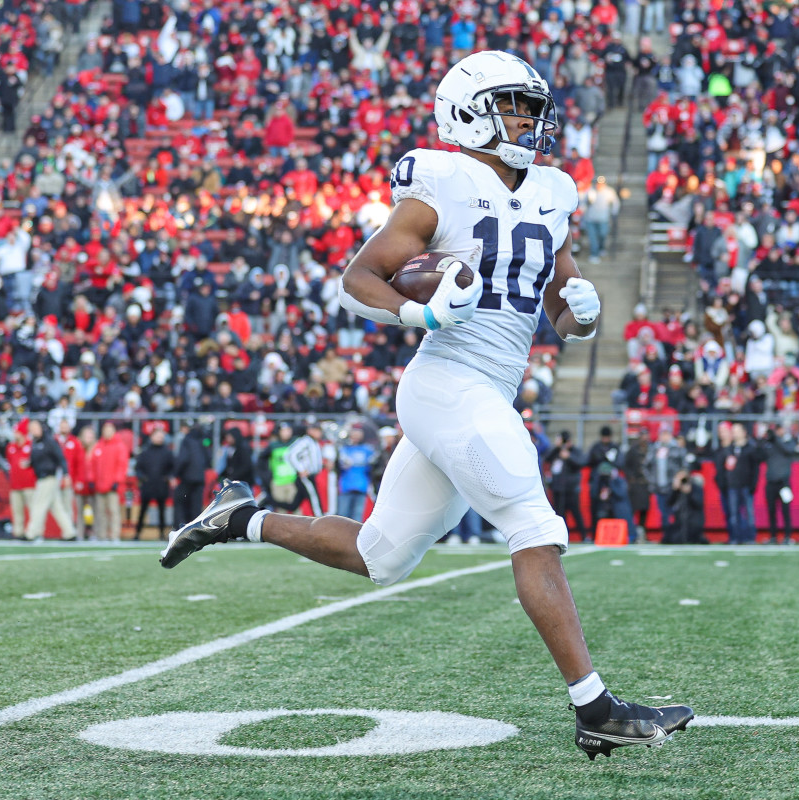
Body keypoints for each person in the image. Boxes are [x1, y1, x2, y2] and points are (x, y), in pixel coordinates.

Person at [159, 51, 692, 758]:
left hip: (486, 387)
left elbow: (559, 312)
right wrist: (421, 317)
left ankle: (241, 516)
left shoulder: (556, 190)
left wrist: (584, 313)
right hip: (447, 379)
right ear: (468, 111)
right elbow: (358, 279)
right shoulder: (442, 179)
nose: (530, 120)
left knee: (381, 556)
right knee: (534, 526)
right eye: (514, 106)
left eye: (533, 107)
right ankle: (596, 709)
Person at [25, 419, 76, 541]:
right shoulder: (35, 443)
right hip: (41, 477)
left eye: (35, 428)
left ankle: (31, 533)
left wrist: (66, 474)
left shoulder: (49, 441)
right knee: (56, 507)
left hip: (49, 477)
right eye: (31, 428)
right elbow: (36, 460)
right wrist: (29, 463)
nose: (33, 430)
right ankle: (69, 532)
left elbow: (60, 458)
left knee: (38, 504)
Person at [88, 421, 129, 542]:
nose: (106, 432)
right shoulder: (99, 446)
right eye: (105, 430)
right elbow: (92, 465)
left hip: (112, 486)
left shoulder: (119, 446)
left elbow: (122, 465)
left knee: (113, 511)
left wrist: (117, 481)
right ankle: (101, 535)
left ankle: (114, 535)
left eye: (109, 430)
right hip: (99, 486)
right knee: (100, 512)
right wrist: (92, 479)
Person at [647, 425, 689, 538]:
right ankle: (666, 536)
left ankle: (675, 535)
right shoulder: (655, 449)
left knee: (674, 512)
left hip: (673, 487)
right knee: (663, 513)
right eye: (662, 434)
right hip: (659, 486)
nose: (664, 437)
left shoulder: (677, 449)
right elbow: (646, 466)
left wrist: (679, 478)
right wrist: (651, 480)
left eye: (667, 434)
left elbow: (685, 466)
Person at [546, 431, 589, 541]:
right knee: (559, 515)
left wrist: (569, 457)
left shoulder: (575, 451)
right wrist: (557, 447)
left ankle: (584, 536)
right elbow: (547, 459)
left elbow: (581, 463)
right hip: (558, 488)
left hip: (571, 488)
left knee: (576, 513)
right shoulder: (556, 451)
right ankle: (562, 537)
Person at [757, 421, 795, 544]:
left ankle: (787, 536)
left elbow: (788, 450)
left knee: (786, 511)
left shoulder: (788, 441)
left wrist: (776, 439)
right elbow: (760, 454)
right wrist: (764, 439)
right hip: (771, 482)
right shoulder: (770, 444)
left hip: (784, 482)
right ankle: (773, 536)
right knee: (771, 511)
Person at [285, 418, 332, 517]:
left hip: (311, 475)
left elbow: (313, 460)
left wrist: (323, 465)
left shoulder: (314, 443)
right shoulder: (306, 441)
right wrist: (301, 469)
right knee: (314, 498)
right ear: (310, 430)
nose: (320, 433)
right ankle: (320, 520)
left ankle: (271, 501)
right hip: (306, 477)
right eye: (317, 430)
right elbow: (290, 454)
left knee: (294, 505)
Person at [134, 426, 175, 539]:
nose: (160, 438)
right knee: (143, 510)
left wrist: (168, 477)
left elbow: (172, 467)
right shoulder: (145, 451)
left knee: (162, 510)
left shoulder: (167, 452)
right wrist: (142, 478)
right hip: (148, 485)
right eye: (157, 436)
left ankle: (162, 533)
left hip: (161, 485)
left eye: (162, 436)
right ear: (151, 437)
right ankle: (137, 533)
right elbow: (138, 468)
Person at [172, 422, 209, 531]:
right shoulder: (202, 441)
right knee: (196, 506)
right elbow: (208, 459)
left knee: (180, 502)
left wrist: (175, 474)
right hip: (200, 478)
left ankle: (179, 528)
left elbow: (183, 459)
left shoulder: (187, 441)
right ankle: (196, 530)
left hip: (187, 477)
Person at [335, 426, 375, 522]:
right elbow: (338, 465)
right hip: (346, 486)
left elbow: (373, 466)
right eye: (354, 434)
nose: (356, 437)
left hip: (361, 486)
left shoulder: (367, 450)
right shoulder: (343, 449)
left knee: (357, 517)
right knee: (342, 516)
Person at [5, 421, 36, 539]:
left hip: (29, 484)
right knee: (17, 511)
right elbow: (9, 461)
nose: (15, 434)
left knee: (33, 511)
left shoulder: (31, 445)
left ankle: (33, 532)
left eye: (17, 432)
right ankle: (18, 532)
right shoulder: (11, 447)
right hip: (15, 484)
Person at [580, 176, 620, 264]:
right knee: (593, 237)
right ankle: (594, 254)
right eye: (598, 183)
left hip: (603, 218)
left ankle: (601, 248)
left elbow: (615, 202)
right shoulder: (590, 191)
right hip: (590, 218)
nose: (599, 185)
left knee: (603, 234)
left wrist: (614, 212)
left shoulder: (609, 191)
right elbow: (582, 203)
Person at [665, 470, 706, 544]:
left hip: (693, 523)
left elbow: (699, 504)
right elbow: (669, 503)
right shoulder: (676, 489)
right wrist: (674, 490)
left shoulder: (695, 488)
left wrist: (690, 493)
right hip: (679, 523)